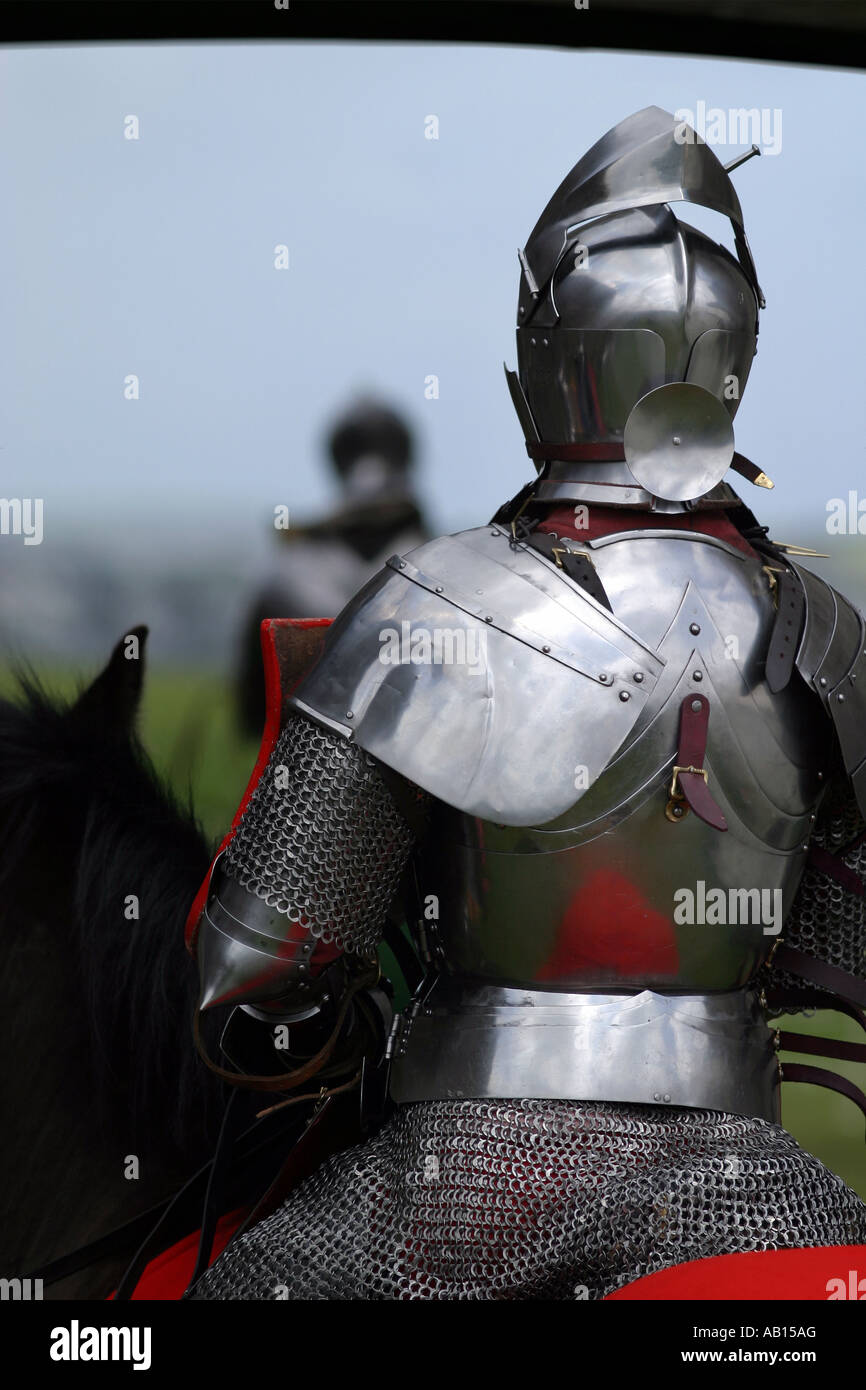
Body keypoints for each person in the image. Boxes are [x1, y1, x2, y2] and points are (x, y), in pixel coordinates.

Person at [190, 107, 866, 1299]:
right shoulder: (824, 632)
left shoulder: (432, 602)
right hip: (749, 1180)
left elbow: (243, 977)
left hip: (453, 1185)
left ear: (542, 369)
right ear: (730, 369)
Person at [234, 397, 430, 737]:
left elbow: (252, 719)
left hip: (300, 779)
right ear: (408, 458)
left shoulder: (285, 572)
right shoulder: (443, 567)